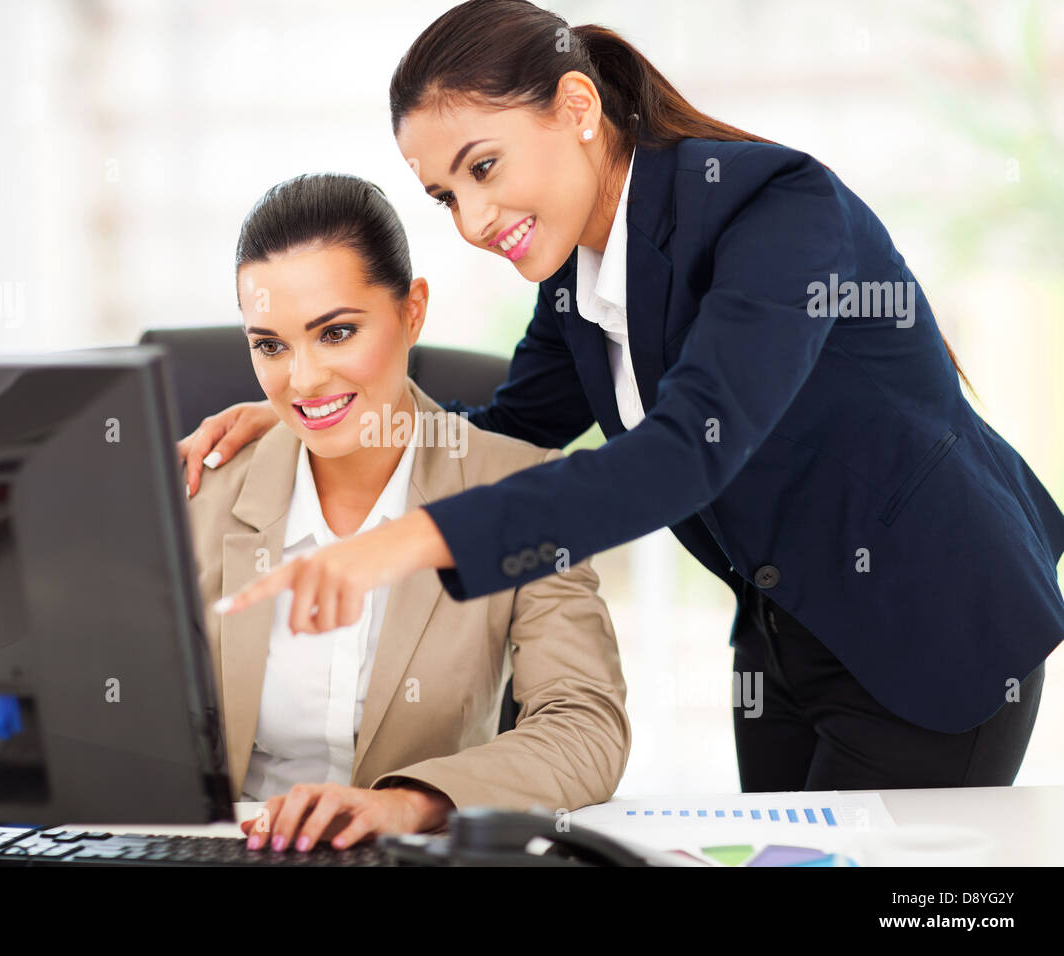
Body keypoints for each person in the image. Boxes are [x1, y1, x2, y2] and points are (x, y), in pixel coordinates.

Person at [187, 0, 1063, 790]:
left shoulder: (781, 213)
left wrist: (404, 542)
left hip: (934, 624)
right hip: (786, 633)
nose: (475, 220)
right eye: (446, 195)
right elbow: (502, 432)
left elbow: (687, 451)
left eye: (484, 167)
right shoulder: (580, 282)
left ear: (576, 108)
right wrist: (325, 413)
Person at [189, 171, 629, 852]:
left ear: (412, 310)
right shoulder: (202, 492)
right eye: (270, 345)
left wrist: (412, 803)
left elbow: (585, 726)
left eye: (335, 333)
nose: (302, 380)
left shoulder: (518, 486)